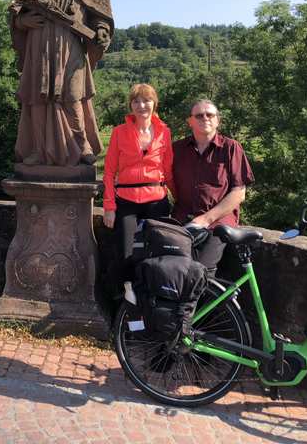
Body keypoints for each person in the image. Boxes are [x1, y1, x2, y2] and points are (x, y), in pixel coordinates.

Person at [8, 0, 114, 167]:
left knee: (71, 95)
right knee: (36, 97)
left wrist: (101, 31)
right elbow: (14, 15)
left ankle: (82, 145)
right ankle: (38, 149)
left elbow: (101, 18)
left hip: (70, 50)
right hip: (39, 51)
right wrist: (23, 21)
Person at [102, 83, 173, 299]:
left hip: (156, 199)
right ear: (131, 106)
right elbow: (108, 171)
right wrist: (109, 206)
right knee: (126, 252)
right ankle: (129, 295)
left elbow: (168, 170)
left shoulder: (164, 132)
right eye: (136, 101)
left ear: (154, 103)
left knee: (159, 250)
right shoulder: (119, 132)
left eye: (146, 100)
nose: (142, 105)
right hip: (126, 199)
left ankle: (154, 292)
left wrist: (179, 201)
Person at [172, 99, 255, 273]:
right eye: (199, 115)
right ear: (190, 121)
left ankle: (202, 301)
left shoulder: (231, 148)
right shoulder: (177, 149)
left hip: (218, 223)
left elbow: (239, 193)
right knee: (172, 267)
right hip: (183, 220)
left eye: (210, 115)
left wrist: (206, 219)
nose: (205, 118)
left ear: (218, 120)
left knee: (201, 270)